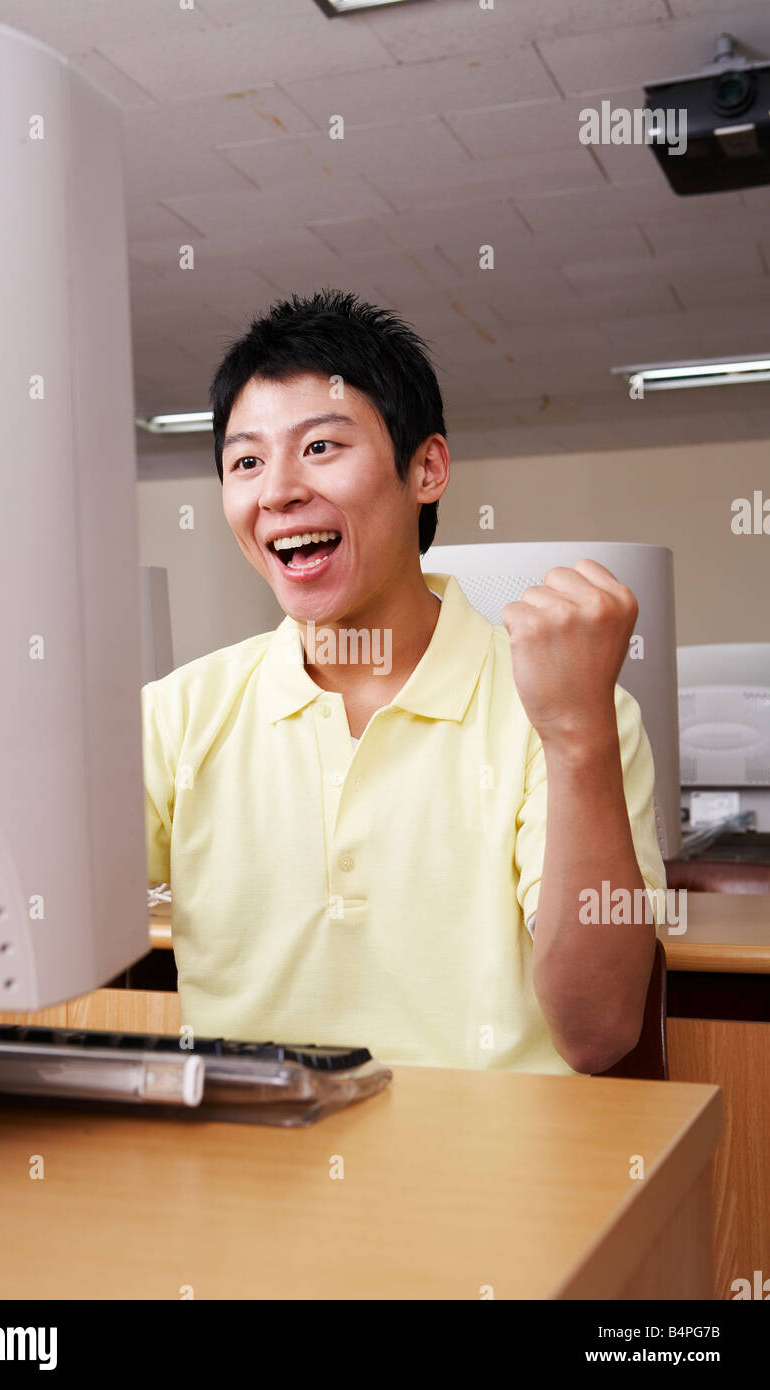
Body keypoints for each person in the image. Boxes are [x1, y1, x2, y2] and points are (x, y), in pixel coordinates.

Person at [141, 288, 666, 1074]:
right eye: (246, 461)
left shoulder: (574, 716)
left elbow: (601, 1032)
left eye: (320, 447)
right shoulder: (179, 713)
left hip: (494, 1179)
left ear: (426, 468)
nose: (277, 489)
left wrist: (576, 735)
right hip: (248, 1171)